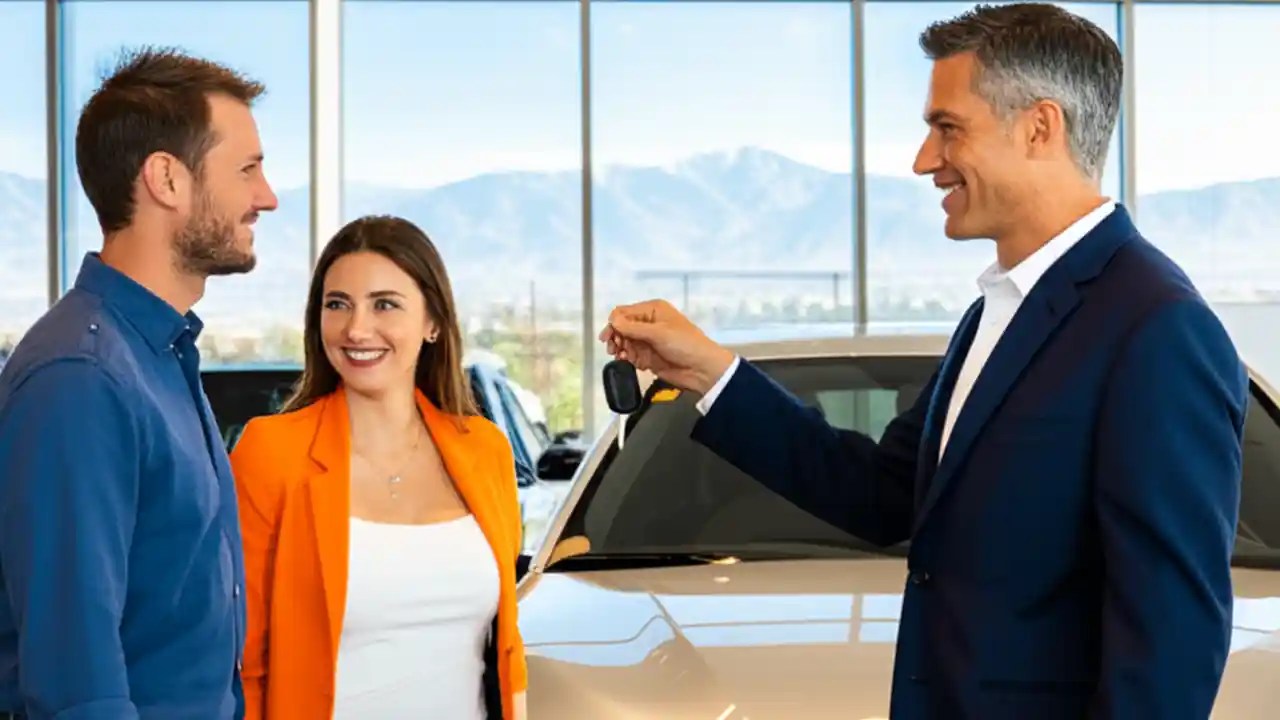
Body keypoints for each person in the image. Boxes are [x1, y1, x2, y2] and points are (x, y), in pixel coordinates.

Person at [601, 4, 1247, 719]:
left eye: (948, 128)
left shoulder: (1157, 328)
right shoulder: (994, 317)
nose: (924, 160)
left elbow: (1169, 651)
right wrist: (710, 371)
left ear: (1040, 127)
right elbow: (882, 494)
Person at [0, 48, 278, 719]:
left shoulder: (161, 354)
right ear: (166, 180)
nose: (265, 197)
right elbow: (78, 687)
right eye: (247, 170)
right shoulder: (81, 379)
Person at [228, 215, 528, 720]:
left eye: (384, 304)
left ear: (433, 322)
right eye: (337, 304)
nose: (356, 329)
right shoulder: (271, 452)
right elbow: (244, 664)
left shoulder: (484, 450)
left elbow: (507, 658)